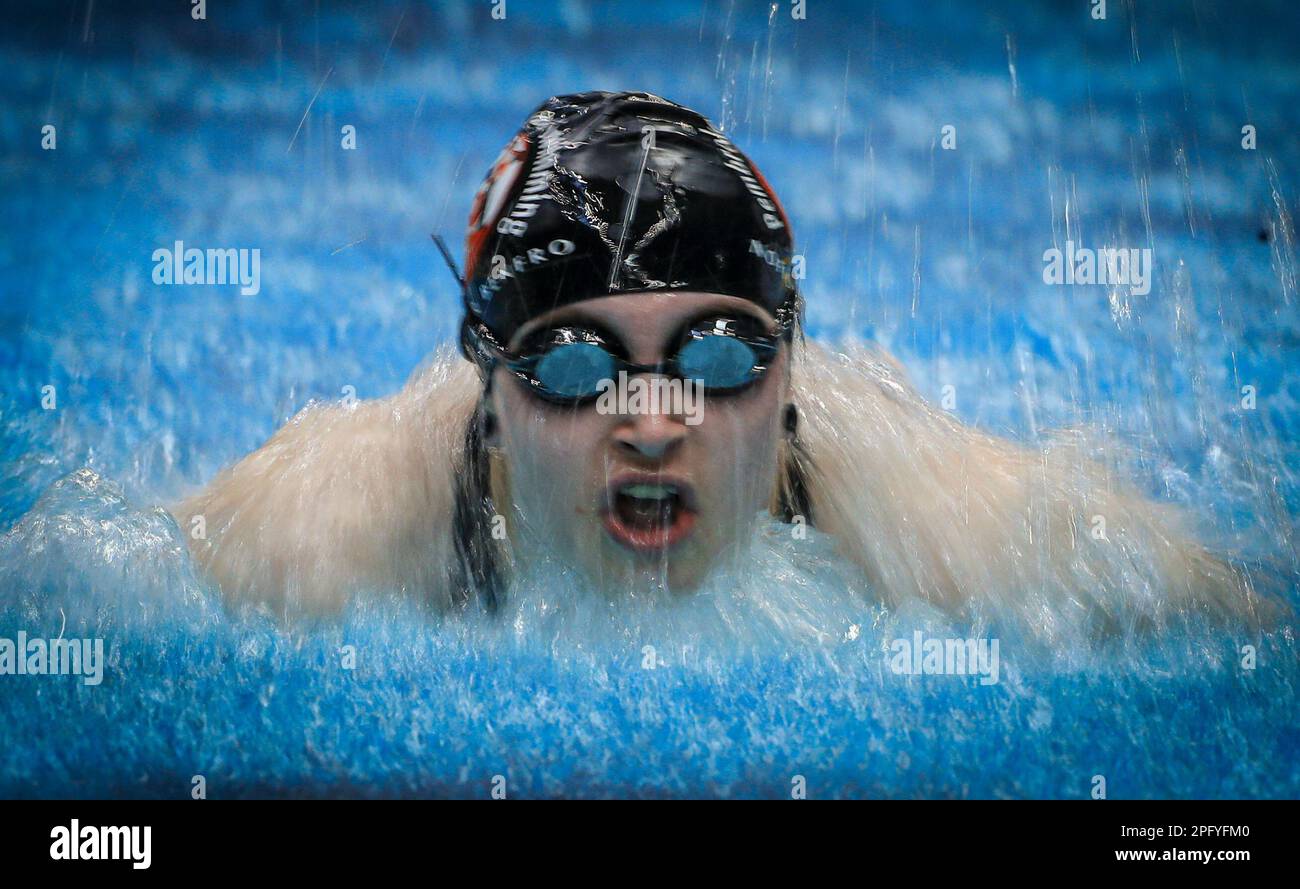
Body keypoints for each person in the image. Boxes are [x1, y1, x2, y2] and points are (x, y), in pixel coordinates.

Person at [171, 90, 1275, 635]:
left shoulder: (939, 520)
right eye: (571, 365)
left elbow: (1236, 626)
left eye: (715, 354)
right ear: (492, 393)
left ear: (788, 373)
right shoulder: (323, 536)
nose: (652, 418)